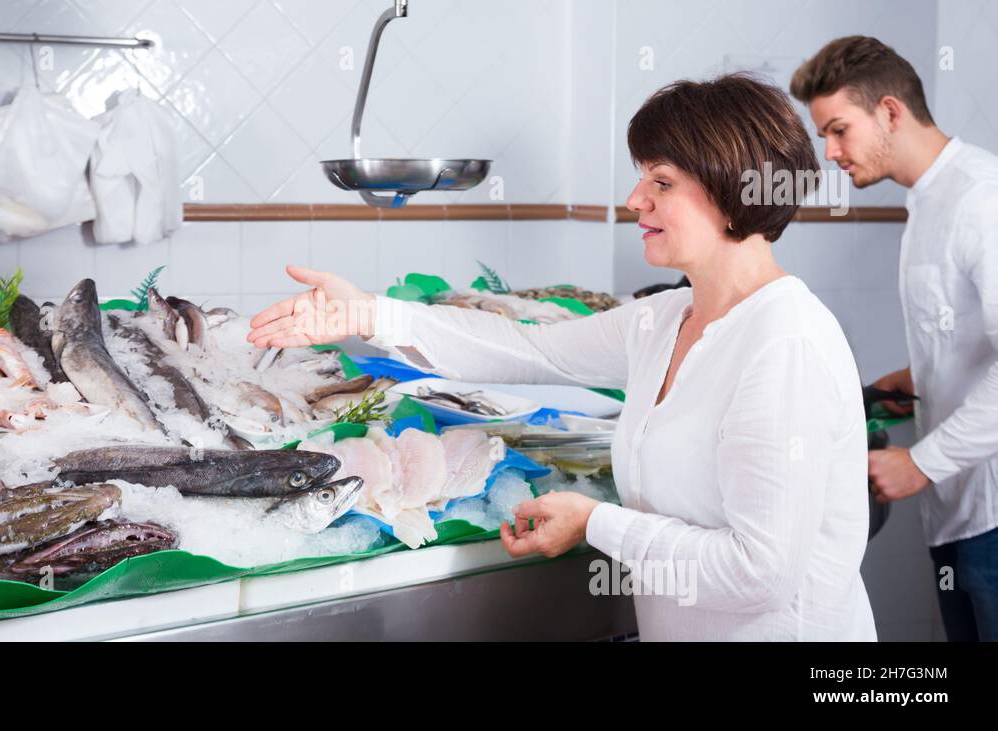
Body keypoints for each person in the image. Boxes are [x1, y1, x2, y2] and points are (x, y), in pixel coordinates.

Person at [249, 74, 875, 641]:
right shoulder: (665, 318)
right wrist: (369, 314)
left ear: (730, 191)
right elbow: (527, 348)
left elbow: (759, 571)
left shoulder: (784, 343)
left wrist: (595, 521)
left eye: (661, 182)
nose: (636, 199)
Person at [793, 36, 998, 642]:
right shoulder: (928, 199)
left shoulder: (981, 199)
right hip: (960, 511)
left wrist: (919, 463)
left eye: (837, 130)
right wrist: (918, 377)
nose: (829, 153)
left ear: (889, 111)